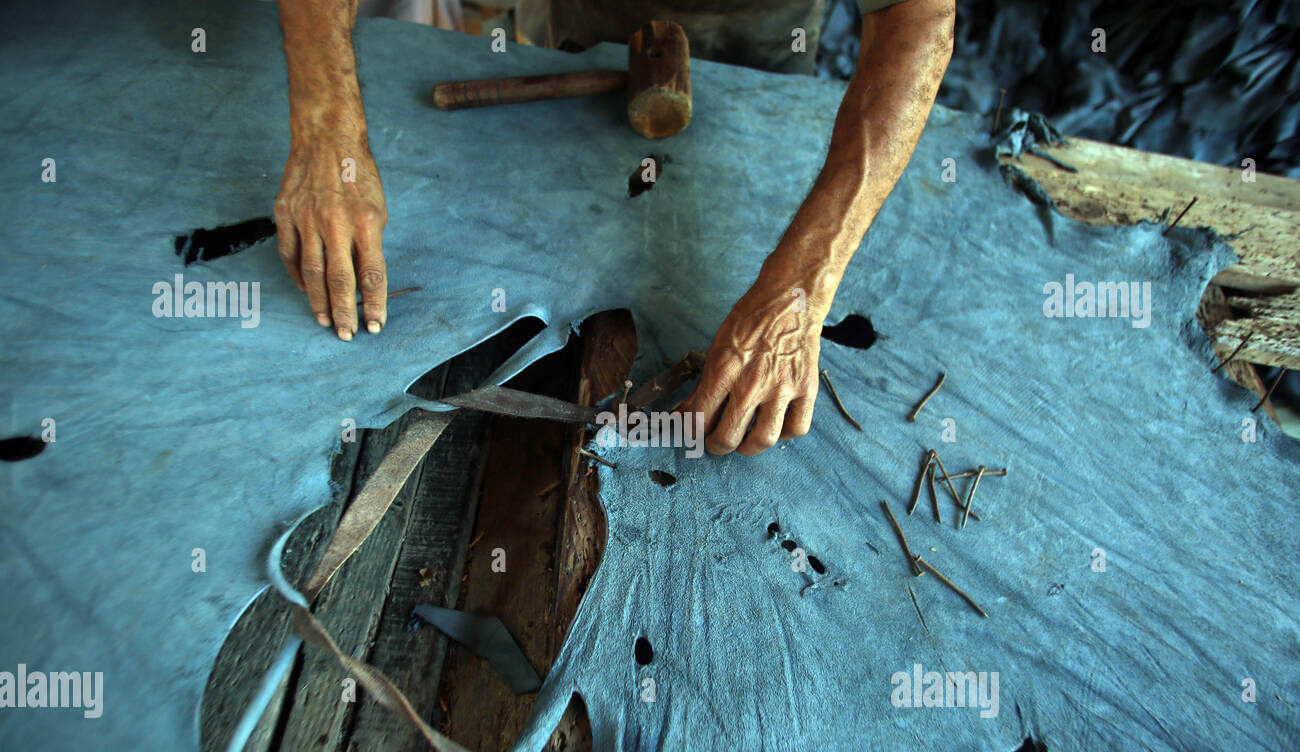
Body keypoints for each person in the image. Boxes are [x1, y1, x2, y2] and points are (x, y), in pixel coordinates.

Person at [273, 0, 954, 455]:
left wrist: (802, 287)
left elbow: (917, 15)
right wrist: (327, 124)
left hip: (756, 54)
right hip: (583, 30)